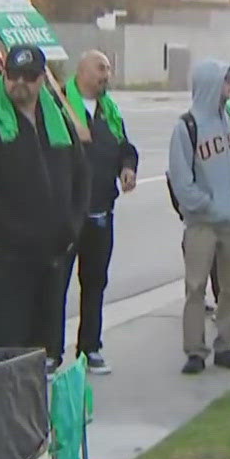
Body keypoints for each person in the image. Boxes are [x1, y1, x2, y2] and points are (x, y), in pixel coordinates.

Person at [0, 43, 90, 366]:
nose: (20, 83)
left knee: (44, 354)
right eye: (13, 75)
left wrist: (71, 228)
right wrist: (22, 236)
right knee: (1, 354)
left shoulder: (56, 120)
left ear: (43, 79)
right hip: (2, 261)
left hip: (50, 261)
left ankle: (38, 413)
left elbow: (81, 177)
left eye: (29, 76)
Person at [169, 59, 230, 375]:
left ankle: (227, 346)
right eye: (226, 81)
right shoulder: (186, 128)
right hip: (202, 224)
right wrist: (208, 205)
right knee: (196, 288)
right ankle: (195, 350)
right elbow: (181, 181)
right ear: (210, 84)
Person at [70, 50, 138, 374]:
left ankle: (90, 347)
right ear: (82, 71)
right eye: (100, 68)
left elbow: (125, 146)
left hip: (101, 211)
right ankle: (51, 351)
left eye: (109, 69)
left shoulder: (109, 111)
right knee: (56, 285)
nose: (106, 75)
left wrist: (128, 167)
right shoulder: (60, 107)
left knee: (95, 282)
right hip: (66, 215)